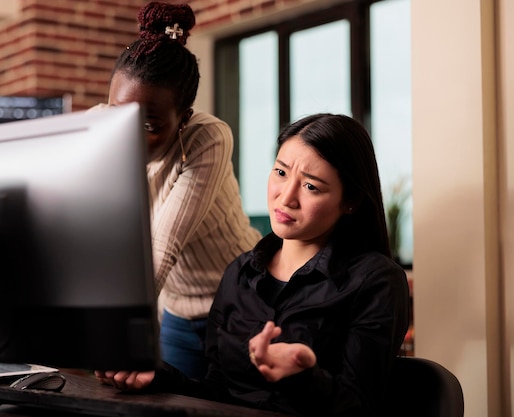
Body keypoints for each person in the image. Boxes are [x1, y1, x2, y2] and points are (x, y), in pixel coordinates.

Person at [96, 113, 411, 417]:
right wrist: (157, 376)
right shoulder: (239, 274)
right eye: (281, 172)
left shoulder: (376, 281)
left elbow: (360, 407)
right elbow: (219, 394)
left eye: (311, 186)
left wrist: (303, 378)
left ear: (351, 201)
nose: (285, 198)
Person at [101, 2, 261, 379]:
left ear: (183, 118)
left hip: (241, 305)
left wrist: (116, 332)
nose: (126, 134)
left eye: (149, 124)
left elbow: (162, 245)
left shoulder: (208, 136)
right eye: (117, 114)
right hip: (175, 311)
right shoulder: (98, 130)